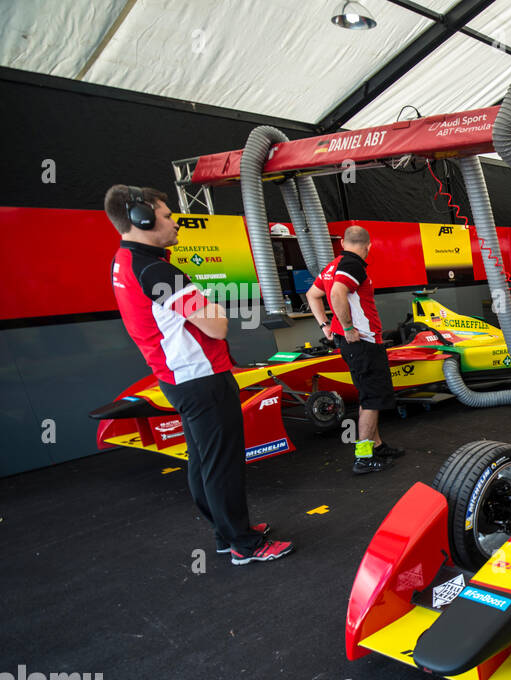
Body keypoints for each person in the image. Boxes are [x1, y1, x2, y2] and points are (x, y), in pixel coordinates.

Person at [104, 185, 293, 564]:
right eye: (166, 215)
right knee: (221, 463)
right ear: (142, 218)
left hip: (180, 377)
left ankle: (227, 533)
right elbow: (217, 326)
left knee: (203, 460)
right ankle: (243, 544)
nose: (174, 222)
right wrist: (213, 305)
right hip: (200, 378)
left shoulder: (125, 261)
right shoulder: (155, 269)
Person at [306, 225, 404, 474]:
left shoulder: (331, 266)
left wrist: (325, 326)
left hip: (351, 342)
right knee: (371, 399)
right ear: (368, 247)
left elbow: (312, 295)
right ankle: (363, 457)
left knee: (368, 395)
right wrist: (348, 327)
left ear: (342, 244)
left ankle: (376, 445)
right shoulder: (353, 265)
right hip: (362, 343)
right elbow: (338, 293)